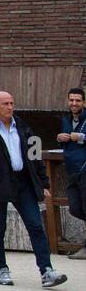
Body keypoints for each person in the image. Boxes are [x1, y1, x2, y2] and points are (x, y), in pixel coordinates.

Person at [0, 90, 67, 288]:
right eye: (5, 103)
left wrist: (44, 184)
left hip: (23, 184)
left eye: (12, 103)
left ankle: (47, 270)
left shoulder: (24, 127)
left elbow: (36, 155)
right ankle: (1, 270)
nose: (10, 107)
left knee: (36, 226)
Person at [55, 87, 86, 259]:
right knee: (74, 208)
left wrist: (80, 137)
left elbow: (80, 138)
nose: (74, 103)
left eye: (78, 100)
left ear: (84, 102)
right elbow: (66, 144)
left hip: (84, 167)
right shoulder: (65, 120)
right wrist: (61, 138)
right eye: (71, 100)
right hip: (72, 169)